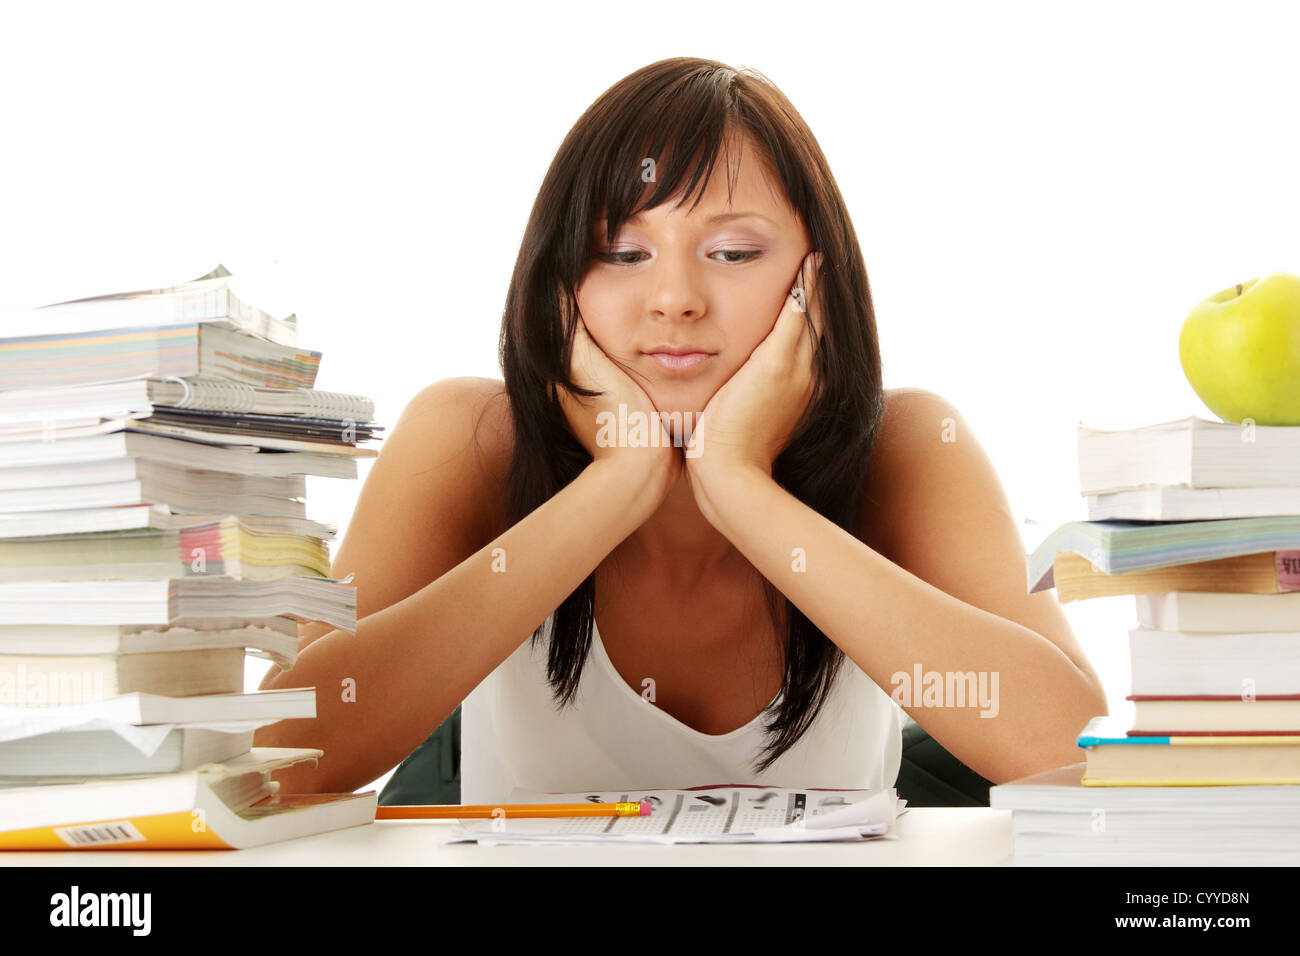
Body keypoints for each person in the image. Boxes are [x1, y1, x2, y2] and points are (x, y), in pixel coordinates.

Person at [255, 57, 1107, 799]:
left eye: (733, 254)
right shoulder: (471, 435)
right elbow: (279, 764)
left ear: (820, 280)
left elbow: (1077, 753)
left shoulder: (908, 446)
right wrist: (615, 483)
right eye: (623, 255)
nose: (674, 298)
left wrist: (741, 483)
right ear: (560, 285)